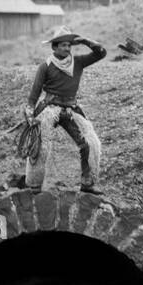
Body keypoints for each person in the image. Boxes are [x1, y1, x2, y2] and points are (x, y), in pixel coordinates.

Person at [24, 26, 106, 192]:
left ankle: (88, 183)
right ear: (54, 47)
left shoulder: (79, 62)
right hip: (49, 108)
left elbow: (101, 53)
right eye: (63, 45)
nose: (67, 48)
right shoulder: (45, 66)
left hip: (71, 108)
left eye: (69, 45)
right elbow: (35, 93)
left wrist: (84, 41)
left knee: (89, 143)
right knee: (39, 145)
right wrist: (29, 112)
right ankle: (34, 185)